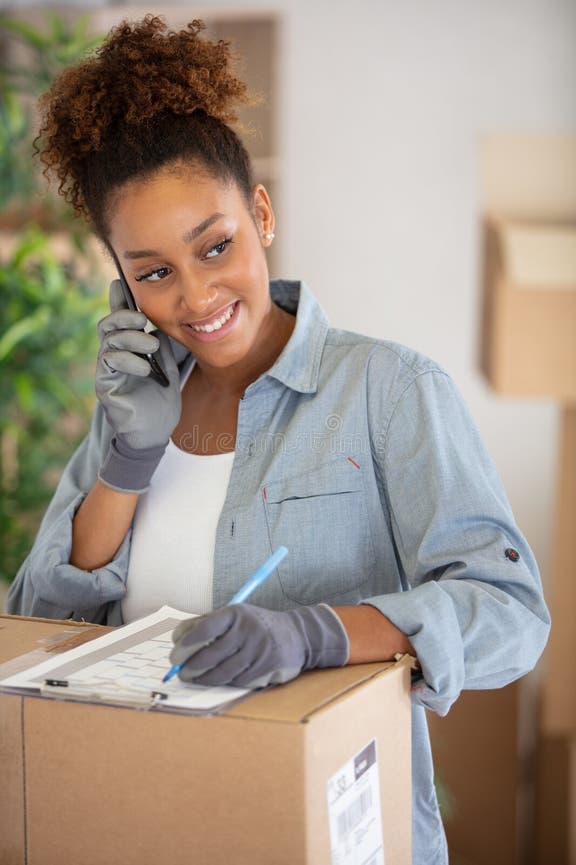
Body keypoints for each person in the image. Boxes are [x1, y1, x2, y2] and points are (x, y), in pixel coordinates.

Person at [6, 16, 550, 864]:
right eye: (152, 272)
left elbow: (512, 618)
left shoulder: (389, 391)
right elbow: (38, 631)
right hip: (145, 826)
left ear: (260, 213)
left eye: (214, 246)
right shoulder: (131, 414)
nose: (194, 296)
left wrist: (320, 634)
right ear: (122, 286)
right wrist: (127, 463)